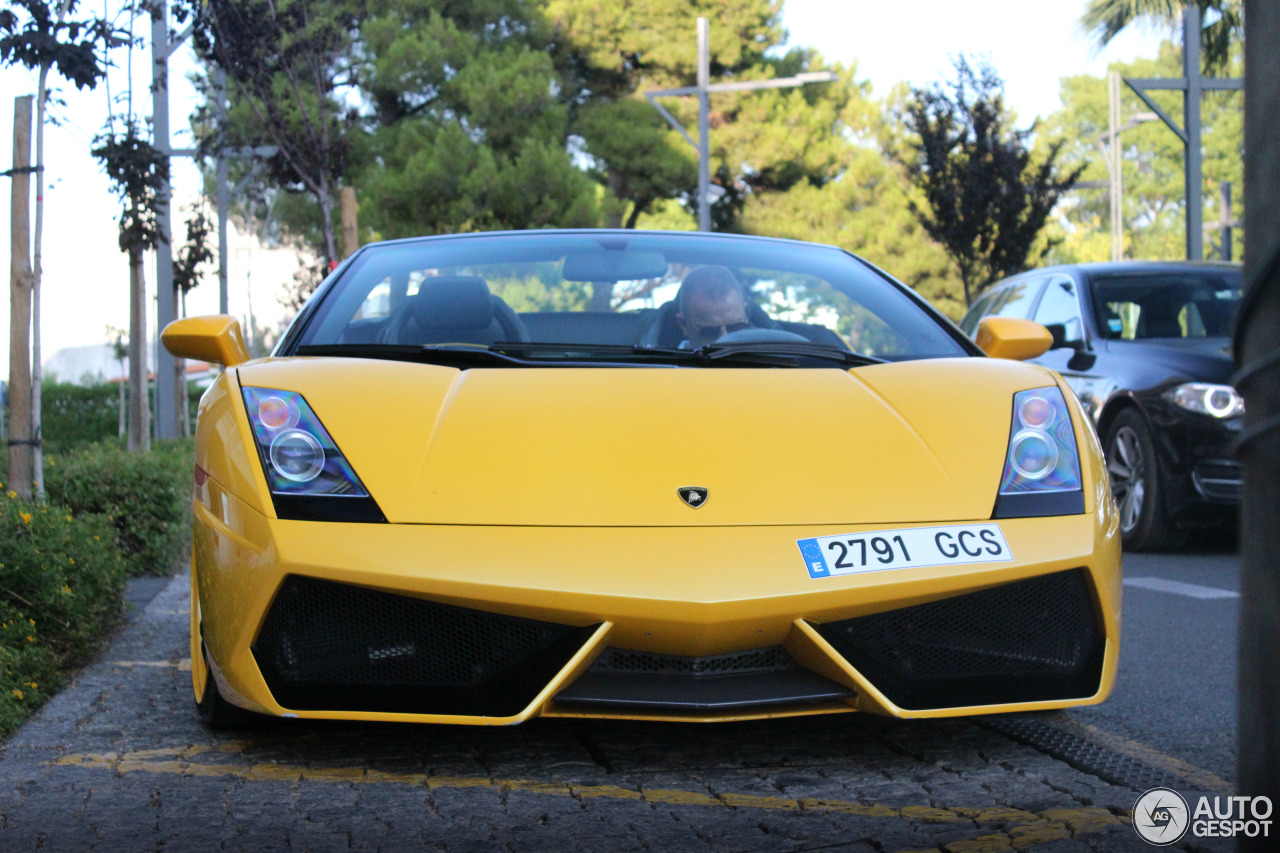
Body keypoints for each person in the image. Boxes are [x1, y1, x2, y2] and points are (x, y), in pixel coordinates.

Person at [674, 266, 757, 348]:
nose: (725, 342)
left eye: (735, 328)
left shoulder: (765, 358)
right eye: (710, 332)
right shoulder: (665, 361)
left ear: (745, 314)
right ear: (683, 324)